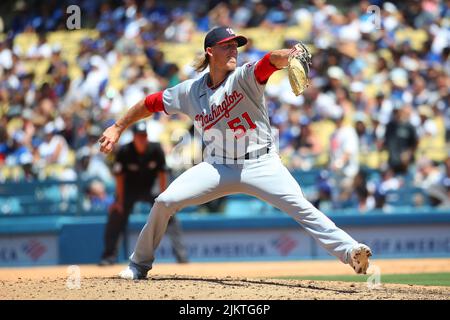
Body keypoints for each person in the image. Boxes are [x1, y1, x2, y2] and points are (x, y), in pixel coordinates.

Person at [98, 27, 372, 279]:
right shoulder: (191, 91)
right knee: (164, 201)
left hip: (263, 164)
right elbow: (151, 102)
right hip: (219, 167)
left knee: (303, 208)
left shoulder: (243, 78)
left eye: (236, 46)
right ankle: (139, 264)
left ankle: (350, 252)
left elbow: (268, 62)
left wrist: (291, 54)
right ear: (210, 52)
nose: (234, 50)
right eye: (227, 46)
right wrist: (118, 126)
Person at [99, 121, 188, 265]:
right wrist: (119, 201)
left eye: (144, 135)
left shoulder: (155, 149)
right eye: (139, 136)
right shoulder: (124, 151)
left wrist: (165, 198)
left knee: (169, 215)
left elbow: (162, 174)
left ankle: (182, 256)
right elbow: (119, 177)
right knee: (116, 213)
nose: (142, 139)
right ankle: (108, 256)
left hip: (150, 187)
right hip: (130, 188)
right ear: (133, 137)